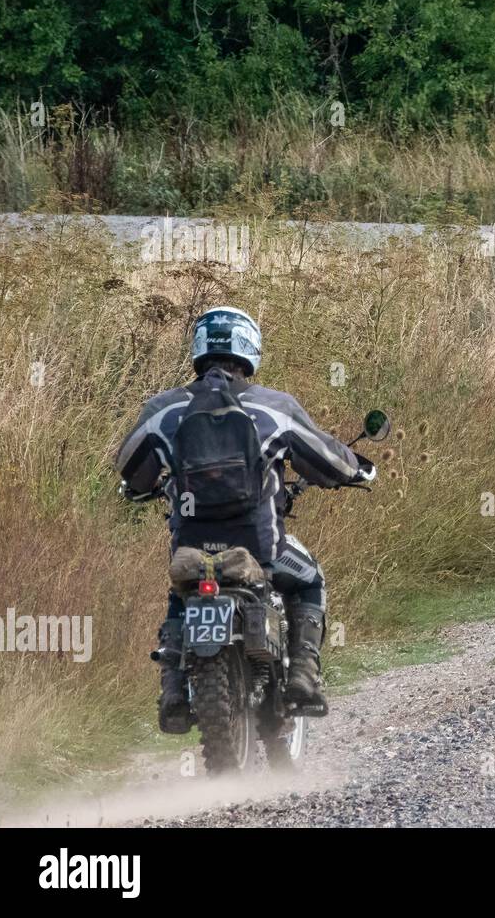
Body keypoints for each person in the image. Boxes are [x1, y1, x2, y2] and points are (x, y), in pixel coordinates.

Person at [115, 306, 373, 732]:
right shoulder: (273, 407)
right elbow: (326, 461)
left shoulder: (163, 410)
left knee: (181, 594)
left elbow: (130, 469)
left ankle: (174, 689)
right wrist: (356, 469)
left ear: (198, 349)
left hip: (192, 549)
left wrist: (144, 486)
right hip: (262, 549)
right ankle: (303, 676)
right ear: (249, 349)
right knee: (310, 579)